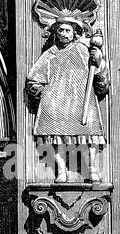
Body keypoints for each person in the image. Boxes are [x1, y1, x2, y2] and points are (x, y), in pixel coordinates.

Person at [25, 17, 109, 184]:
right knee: (57, 138)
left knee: (90, 135)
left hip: (81, 99)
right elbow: (33, 79)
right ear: (56, 33)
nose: (64, 34)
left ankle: (92, 168)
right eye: (60, 31)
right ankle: (61, 171)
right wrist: (47, 94)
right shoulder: (50, 54)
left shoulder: (83, 50)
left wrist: (98, 62)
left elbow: (102, 79)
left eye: (67, 30)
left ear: (74, 33)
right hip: (58, 103)